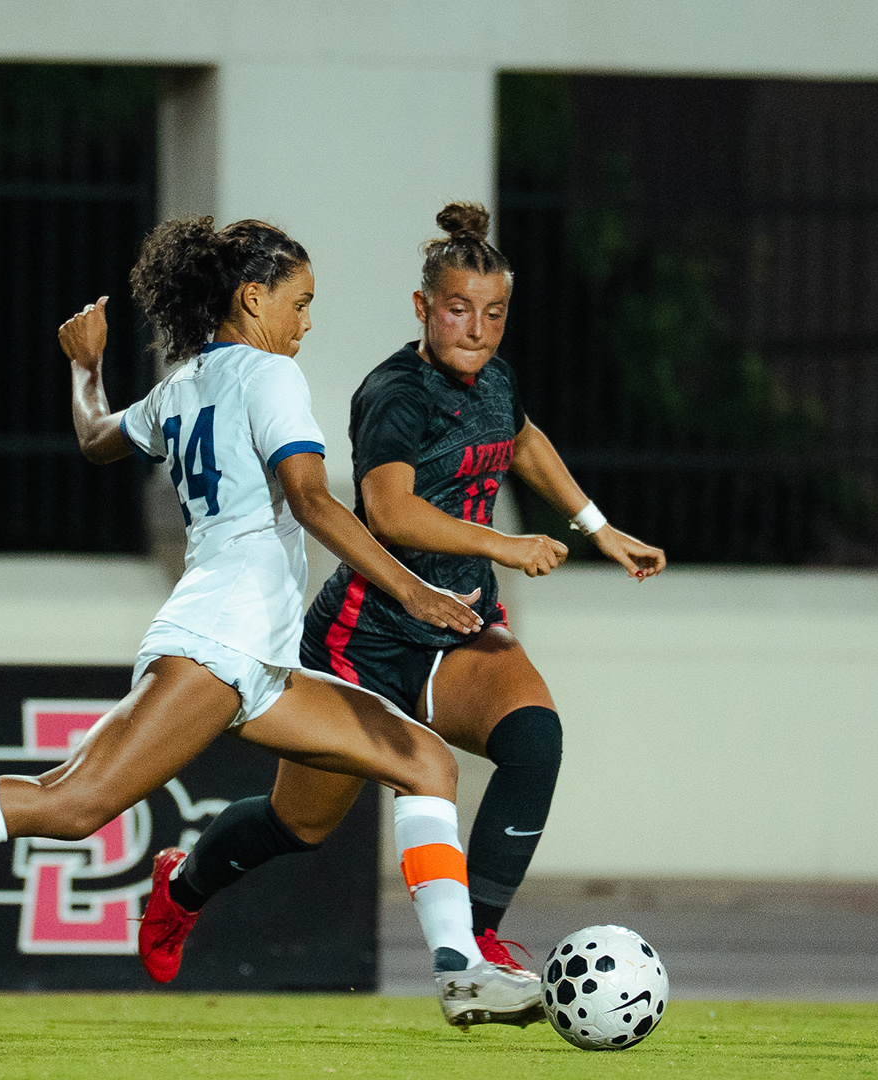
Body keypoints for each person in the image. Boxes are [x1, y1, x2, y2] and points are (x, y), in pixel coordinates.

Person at [0, 216, 545, 1025]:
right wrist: (411, 589)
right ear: (252, 297)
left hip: (256, 663)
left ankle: (459, 970)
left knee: (422, 759)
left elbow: (98, 439)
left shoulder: (185, 383)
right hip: (215, 642)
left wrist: (86, 370)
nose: (309, 321)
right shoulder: (269, 378)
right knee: (71, 805)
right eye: (301, 302)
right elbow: (312, 499)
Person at [138, 202, 666, 992]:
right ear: (423, 308)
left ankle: (479, 943)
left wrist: (597, 525)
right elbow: (387, 510)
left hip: (459, 625)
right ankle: (181, 888)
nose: (477, 329)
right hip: (366, 637)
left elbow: (521, 440)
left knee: (535, 742)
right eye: (459, 309)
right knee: (302, 824)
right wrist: (506, 544)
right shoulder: (395, 392)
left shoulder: (495, 380)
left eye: (494, 313)